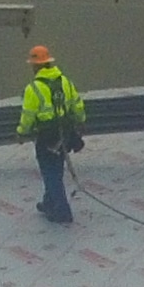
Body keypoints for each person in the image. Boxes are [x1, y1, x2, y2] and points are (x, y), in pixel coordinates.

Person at [18, 44, 85, 223]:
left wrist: (21, 132)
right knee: (55, 169)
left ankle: (62, 211)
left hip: (46, 136)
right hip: (64, 134)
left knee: (50, 172)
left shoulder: (34, 88)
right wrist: (80, 121)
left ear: (35, 65)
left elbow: (28, 114)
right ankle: (49, 203)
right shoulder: (64, 81)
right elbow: (77, 104)